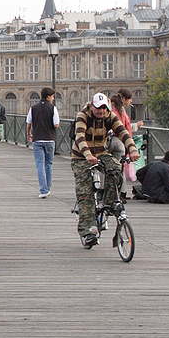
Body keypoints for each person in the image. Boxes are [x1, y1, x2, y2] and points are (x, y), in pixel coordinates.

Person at [71, 92, 139, 248]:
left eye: (103, 111)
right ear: (92, 107)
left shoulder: (110, 116)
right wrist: (87, 155)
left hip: (101, 152)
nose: (100, 113)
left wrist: (132, 149)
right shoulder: (83, 115)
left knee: (115, 169)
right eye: (97, 110)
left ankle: (108, 202)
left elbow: (123, 133)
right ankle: (88, 232)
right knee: (85, 193)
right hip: (81, 156)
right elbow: (79, 136)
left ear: (107, 109)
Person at [26, 87, 60, 198]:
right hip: (50, 139)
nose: (53, 98)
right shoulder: (53, 108)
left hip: (37, 139)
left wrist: (28, 134)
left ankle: (43, 189)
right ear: (48, 96)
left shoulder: (33, 108)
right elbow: (56, 124)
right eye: (52, 96)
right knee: (48, 164)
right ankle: (48, 188)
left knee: (40, 164)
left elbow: (28, 123)